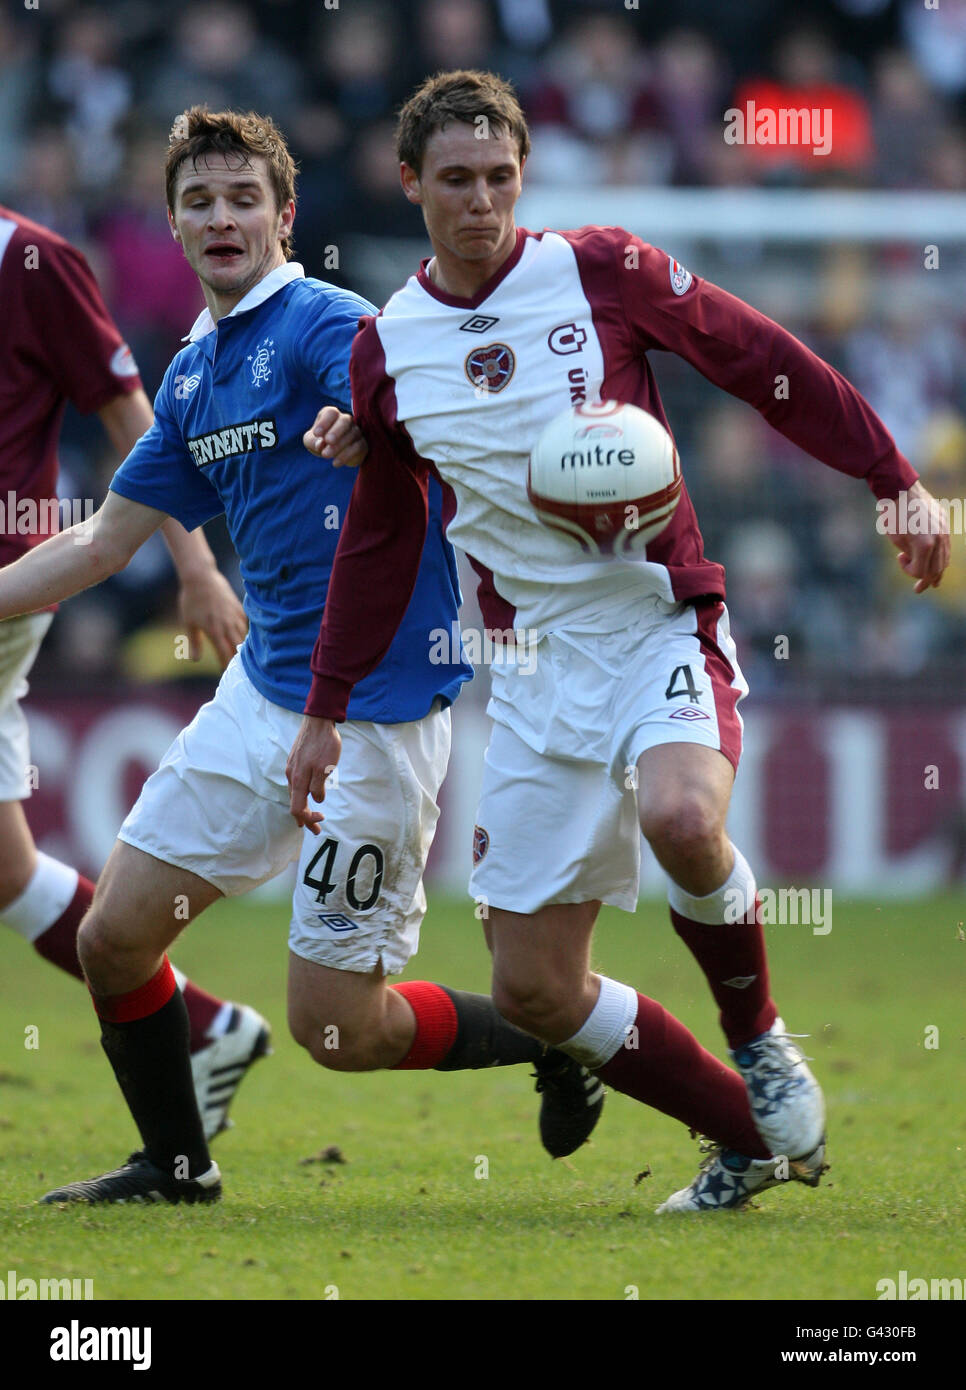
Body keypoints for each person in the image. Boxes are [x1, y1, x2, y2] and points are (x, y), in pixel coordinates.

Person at [290, 69, 951, 1211]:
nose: (483, 203)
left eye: (502, 177)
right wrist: (325, 707)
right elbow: (381, 540)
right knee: (540, 992)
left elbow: (763, 360)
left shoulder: (604, 269)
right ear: (411, 184)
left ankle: (761, 1038)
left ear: (524, 175)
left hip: (656, 625)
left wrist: (893, 478)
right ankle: (746, 1138)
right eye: (456, 182)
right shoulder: (387, 353)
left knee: (684, 817)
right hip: (532, 672)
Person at [0, 109, 603, 1206]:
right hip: (263, 695)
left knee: (340, 1028)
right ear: (173, 224)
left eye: (242, 200)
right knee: (113, 938)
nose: (220, 218)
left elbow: (420, 391)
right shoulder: (190, 375)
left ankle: (550, 1035)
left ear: (285, 217)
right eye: (197, 201)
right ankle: (177, 1169)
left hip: (373, 720)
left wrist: (376, 425)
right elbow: (98, 544)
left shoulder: (332, 325)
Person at [0, 203, 267, 1139]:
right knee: (8, 872)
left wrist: (195, 567)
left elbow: (133, 418)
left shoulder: (31, 262)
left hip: (7, 580)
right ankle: (205, 1028)